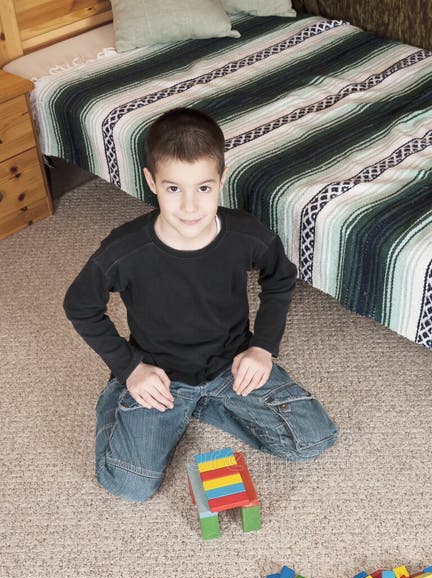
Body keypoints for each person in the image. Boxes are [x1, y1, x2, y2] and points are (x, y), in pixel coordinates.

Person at [64, 107, 337, 502]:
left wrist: (262, 348)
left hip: (231, 363)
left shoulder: (246, 235)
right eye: (174, 188)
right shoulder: (124, 251)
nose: (190, 207)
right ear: (151, 182)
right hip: (159, 372)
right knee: (127, 485)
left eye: (203, 188)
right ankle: (120, 395)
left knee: (314, 439)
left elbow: (280, 278)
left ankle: (202, 406)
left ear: (221, 180)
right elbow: (80, 305)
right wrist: (129, 368)